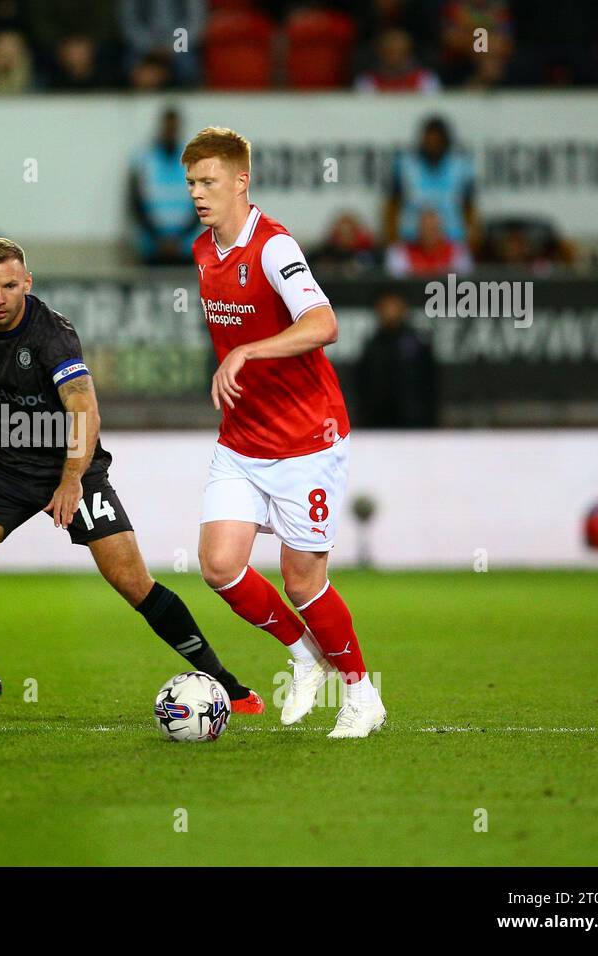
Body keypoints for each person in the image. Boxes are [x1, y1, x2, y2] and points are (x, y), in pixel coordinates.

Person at [0, 237, 265, 716]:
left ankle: (228, 688)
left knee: (134, 583)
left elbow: (83, 407)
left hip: (75, 471)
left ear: (26, 283)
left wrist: (71, 479)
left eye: (10, 285)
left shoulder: (52, 334)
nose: (0, 298)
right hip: (7, 472)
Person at [182, 126, 386, 739]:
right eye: (191, 182)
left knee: (302, 580)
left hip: (307, 440)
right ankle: (304, 657)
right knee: (219, 566)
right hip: (243, 439)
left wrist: (246, 352)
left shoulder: (273, 247)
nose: (198, 193)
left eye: (209, 182)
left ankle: (361, 694)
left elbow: (324, 324)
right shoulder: (202, 249)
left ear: (241, 182)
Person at [384, 115, 478, 250]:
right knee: (411, 271)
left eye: (437, 140)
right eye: (429, 140)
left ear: (446, 141)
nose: (433, 144)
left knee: (451, 273)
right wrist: (393, 239)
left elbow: (470, 208)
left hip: (452, 244)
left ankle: (451, 272)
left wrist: (471, 241)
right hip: (411, 243)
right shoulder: (406, 166)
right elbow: (391, 205)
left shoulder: (461, 166)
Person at [354, 289, 438, 428]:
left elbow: (430, 384)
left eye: (394, 306)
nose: (390, 312)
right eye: (386, 307)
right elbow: (362, 384)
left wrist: (429, 420)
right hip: (376, 422)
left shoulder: (418, 343)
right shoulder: (372, 346)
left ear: (403, 309)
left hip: (414, 422)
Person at [129, 107, 202, 265]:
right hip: (152, 247)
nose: (170, 132)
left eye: (174, 128)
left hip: (184, 247)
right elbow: (135, 203)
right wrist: (159, 239)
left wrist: (178, 240)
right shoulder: (143, 160)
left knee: (183, 290)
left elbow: (202, 205)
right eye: (168, 127)